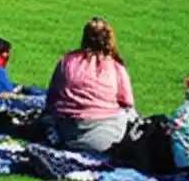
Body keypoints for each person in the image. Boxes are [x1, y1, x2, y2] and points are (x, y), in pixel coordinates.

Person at [42, 18, 135, 153]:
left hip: (66, 131)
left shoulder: (67, 61)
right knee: (129, 114)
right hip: (104, 139)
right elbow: (127, 102)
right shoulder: (115, 67)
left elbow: (52, 98)